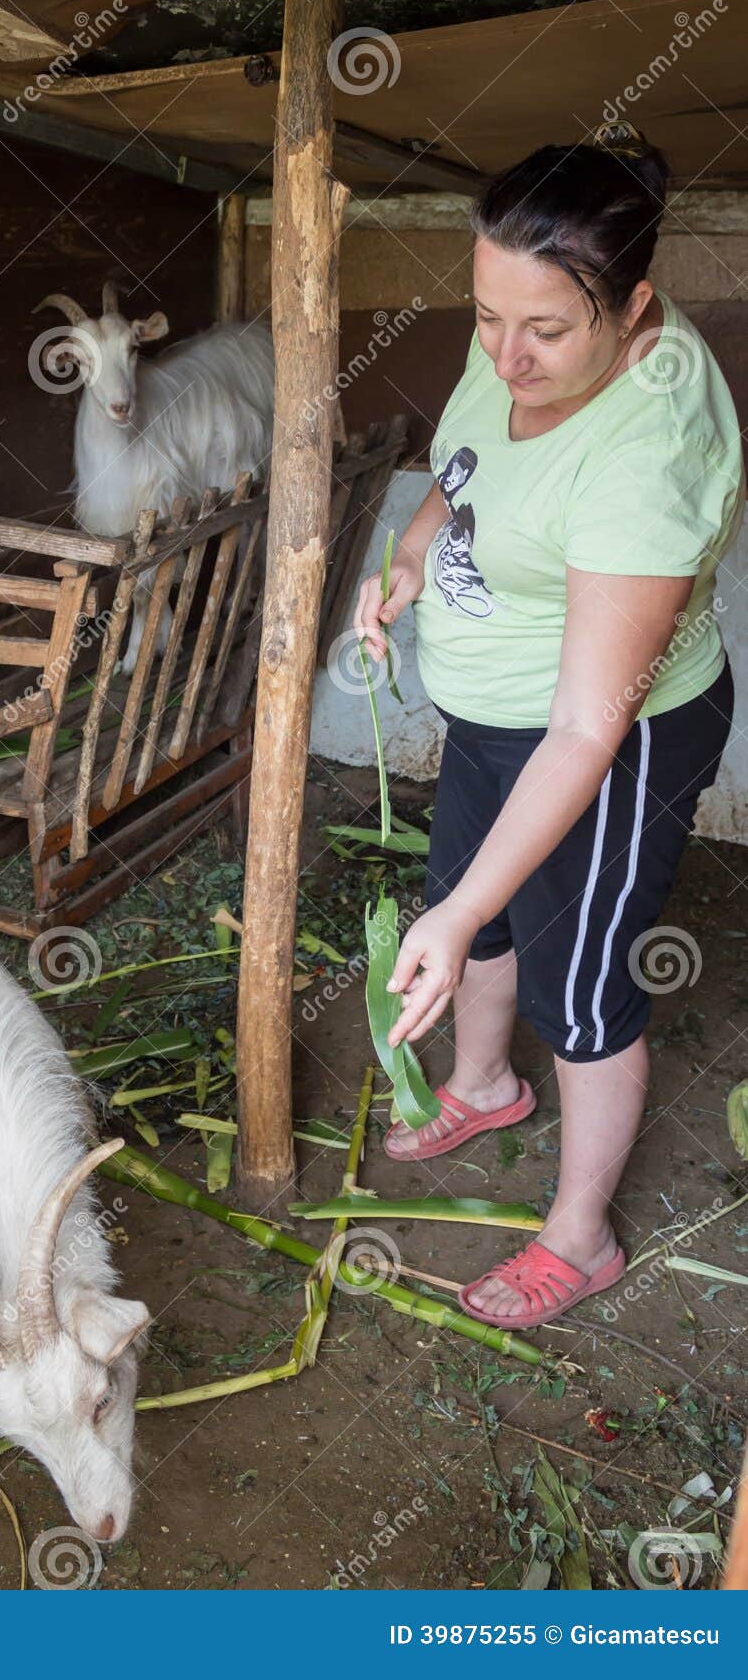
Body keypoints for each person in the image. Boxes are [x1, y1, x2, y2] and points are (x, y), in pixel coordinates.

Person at [353, 119, 743, 1331]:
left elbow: (583, 727)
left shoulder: (646, 447)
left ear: (631, 309)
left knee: (576, 981)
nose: (506, 354)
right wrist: (407, 560)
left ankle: (581, 1235)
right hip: (489, 712)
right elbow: (458, 470)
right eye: (486, 317)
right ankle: (481, 1084)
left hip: (613, 739)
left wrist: (459, 908)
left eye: (543, 331)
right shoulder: (524, 331)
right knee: (467, 907)